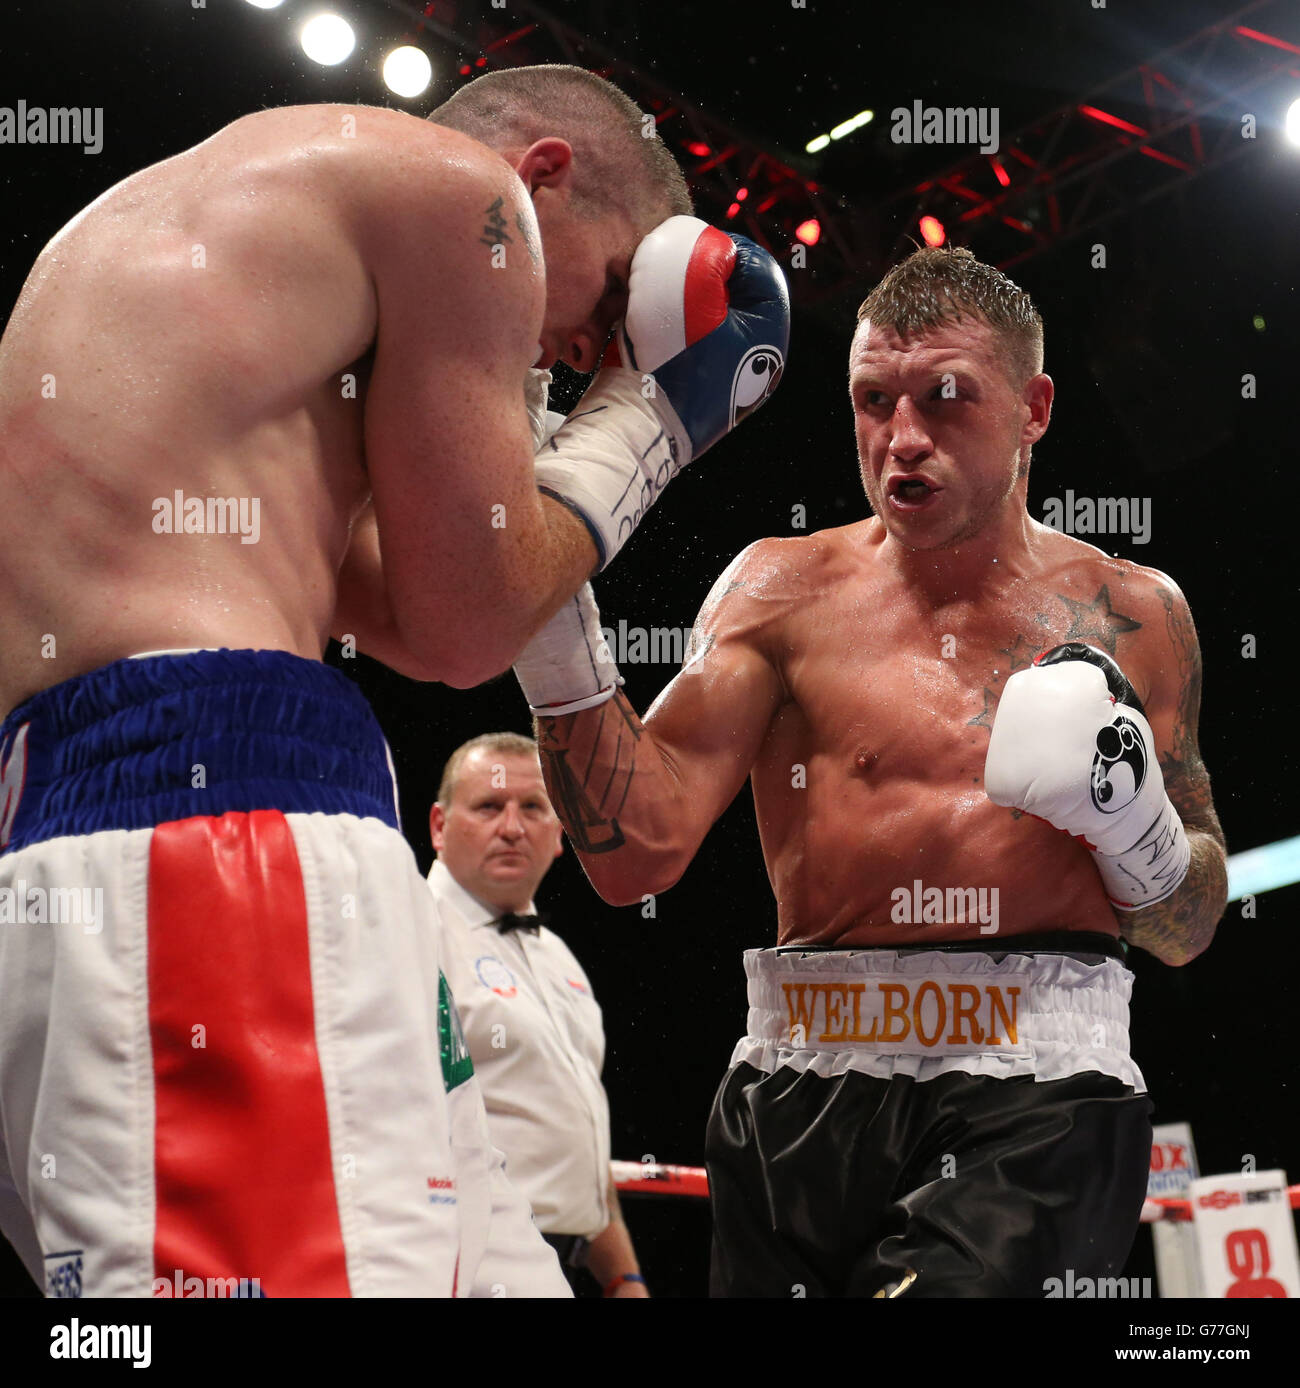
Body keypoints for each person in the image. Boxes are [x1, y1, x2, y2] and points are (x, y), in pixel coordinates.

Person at [0, 61, 788, 1297]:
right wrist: (655, 419)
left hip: (108, 819)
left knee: (483, 1271)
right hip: (216, 825)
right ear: (543, 174)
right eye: (607, 293)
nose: (584, 348)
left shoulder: (218, 232)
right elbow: (474, 627)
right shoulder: (461, 194)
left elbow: (421, 617)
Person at [509, 245, 1227, 1297]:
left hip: (1034, 1087)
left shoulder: (1133, 613)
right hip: (793, 1088)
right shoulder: (777, 588)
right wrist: (550, 621)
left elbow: (1188, 926)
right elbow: (635, 854)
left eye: (945, 398)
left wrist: (1137, 826)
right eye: (872, 400)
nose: (902, 437)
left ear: (1033, 408)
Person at [427, 733, 649, 1298]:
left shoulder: (557, 956)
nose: (511, 827)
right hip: (470, 1256)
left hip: (570, 1264)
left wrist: (623, 1277)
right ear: (438, 826)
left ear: (560, 835)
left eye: (532, 808)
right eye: (487, 807)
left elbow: (579, 1124)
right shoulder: (415, 932)